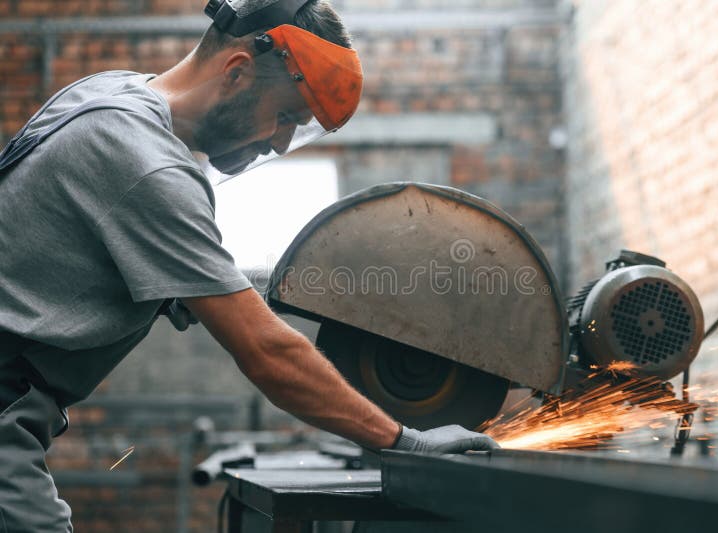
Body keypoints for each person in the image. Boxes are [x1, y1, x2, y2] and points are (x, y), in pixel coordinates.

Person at [0, 0, 498, 530]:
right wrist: (407, 442)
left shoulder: (106, 94)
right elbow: (268, 352)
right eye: (285, 116)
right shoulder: (147, 166)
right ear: (237, 71)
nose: (282, 143)